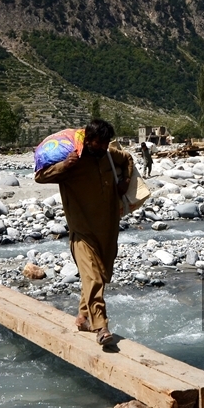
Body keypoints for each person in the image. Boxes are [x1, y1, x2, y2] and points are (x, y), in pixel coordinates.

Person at [35, 119, 133, 346]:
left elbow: (127, 158)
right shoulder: (72, 160)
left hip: (108, 227)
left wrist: (125, 181)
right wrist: (64, 166)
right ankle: (101, 327)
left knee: (103, 273)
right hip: (82, 231)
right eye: (99, 143)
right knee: (94, 276)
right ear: (88, 140)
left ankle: (83, 317)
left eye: (106, 142)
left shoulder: (109, 155)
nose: (102, 147)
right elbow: (40, 176)